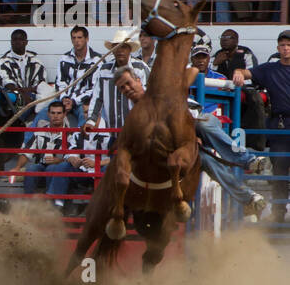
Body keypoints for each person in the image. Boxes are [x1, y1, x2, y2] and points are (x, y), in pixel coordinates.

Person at [115, 65, 268, 221]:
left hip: (196, 120)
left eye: (128, 83)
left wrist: (188, 134)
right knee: (206, 160)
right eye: (122, 88)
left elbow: (188, 109)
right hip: (181, 145)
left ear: (138, 80)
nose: (127, 89)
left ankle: (247, 160)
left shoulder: (158, 93)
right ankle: (248, 197)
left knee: (203, 124)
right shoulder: (133, 114)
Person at [234, 30, 290, 222]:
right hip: (280, 124)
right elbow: (245, 72)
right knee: (279, 170)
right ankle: (279, 215)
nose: (286, 48)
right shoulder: (269, 69)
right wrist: (237, 73)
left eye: (289, 45)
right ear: (278, 48)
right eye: (283, 45)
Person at [11, 99, 80, 207]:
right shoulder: (39, 131)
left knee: (52, 169)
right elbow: (27, 152)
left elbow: (74, 156)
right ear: (48, 114)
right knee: (31, 170)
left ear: (64, 114)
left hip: (60, 168)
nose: (55, 116)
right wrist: (17, 167)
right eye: (53, 113)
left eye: (59, 113)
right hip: (41, 166)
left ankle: (50, 206)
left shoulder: (71, 134)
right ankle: (28, 205)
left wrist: (59, 160)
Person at [85, 29, 149, 132]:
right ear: (113, 50)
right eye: (117, 47)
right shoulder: (104, 70)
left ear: (129, 49)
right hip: (114, 131)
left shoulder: (140, 68)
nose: (120, 51)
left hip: (137, 131)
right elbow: (97, 97)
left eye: (123, 47)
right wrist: (91, 121)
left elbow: (150, 95)